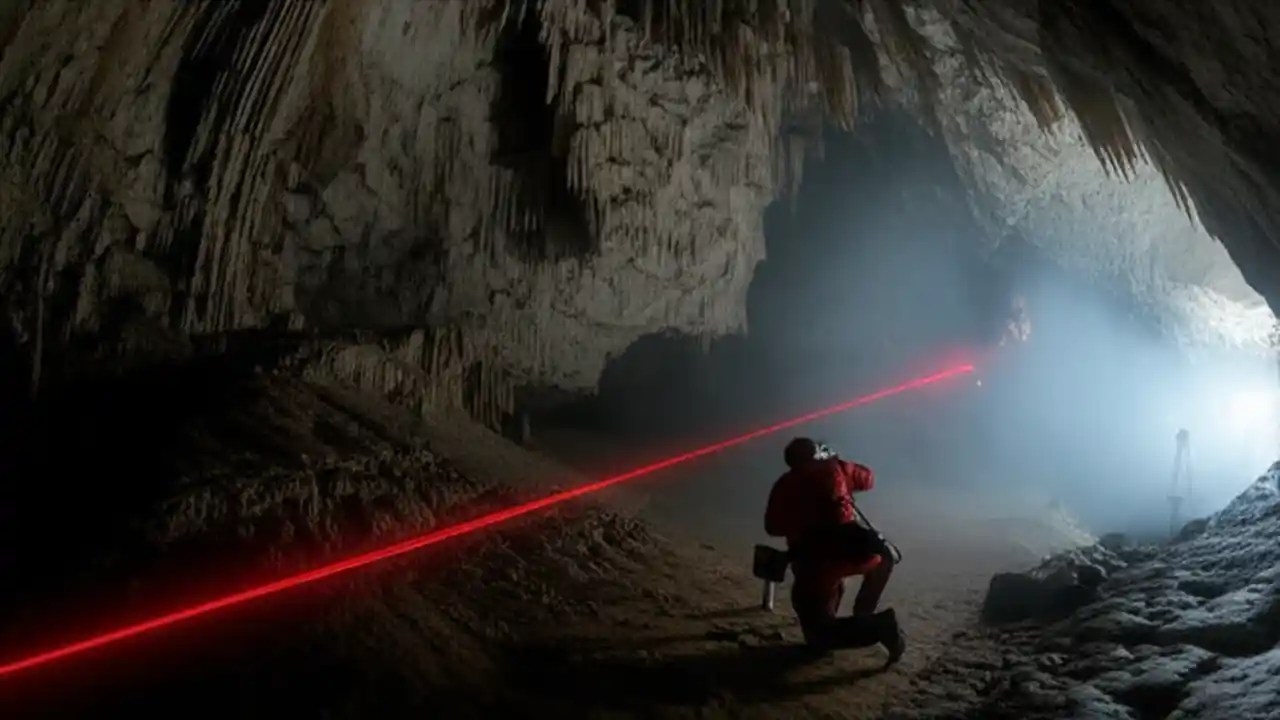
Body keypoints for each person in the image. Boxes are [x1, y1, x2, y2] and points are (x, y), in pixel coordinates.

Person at [764, 437, 906, 664]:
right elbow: (868, 478)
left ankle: (881, 626)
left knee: (819, 633)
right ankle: (864, 618)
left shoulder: (786, 484)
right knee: (860, 575)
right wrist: (835, 460)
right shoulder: (838, 468)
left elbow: (772, 527)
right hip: (866, 553)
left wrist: (800, 523)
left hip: (819, 563)